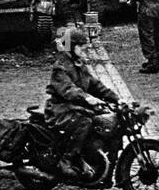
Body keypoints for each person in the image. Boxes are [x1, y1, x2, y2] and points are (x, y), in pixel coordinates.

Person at [44, 26, 119, 180]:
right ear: (72, 47)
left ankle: (90, 156)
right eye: (81, 47)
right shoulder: (60, 67)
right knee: (84, 122)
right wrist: (87, 98)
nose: (84, 50)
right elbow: (68, 90)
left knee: (100, 119)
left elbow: (95, 85)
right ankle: (67, 159)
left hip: (75, 107)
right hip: (60, 109)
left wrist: (116, 98)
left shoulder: (79, 64)